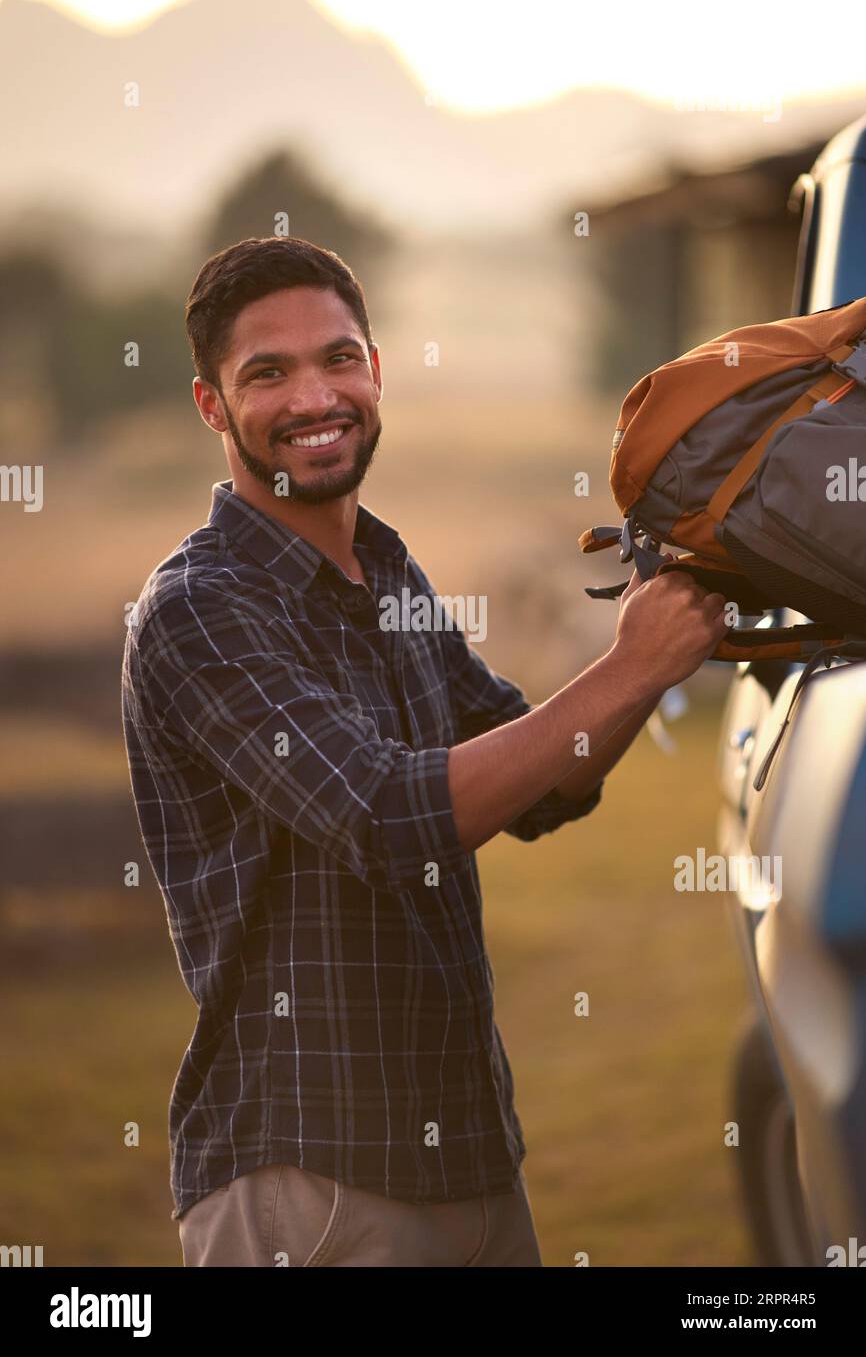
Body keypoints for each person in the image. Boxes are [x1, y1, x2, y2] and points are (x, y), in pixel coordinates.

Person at [121, 236, 729, 1267]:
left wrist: (665, 633)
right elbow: (381, 813)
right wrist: (628, 669)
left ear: (375, 370)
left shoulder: (386, 570)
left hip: (467, 1158)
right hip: (309, 1183)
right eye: (267, 373)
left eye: (338, 357)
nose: (315, 394)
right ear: (211, 407)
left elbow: (545, 780)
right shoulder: (198, 609)